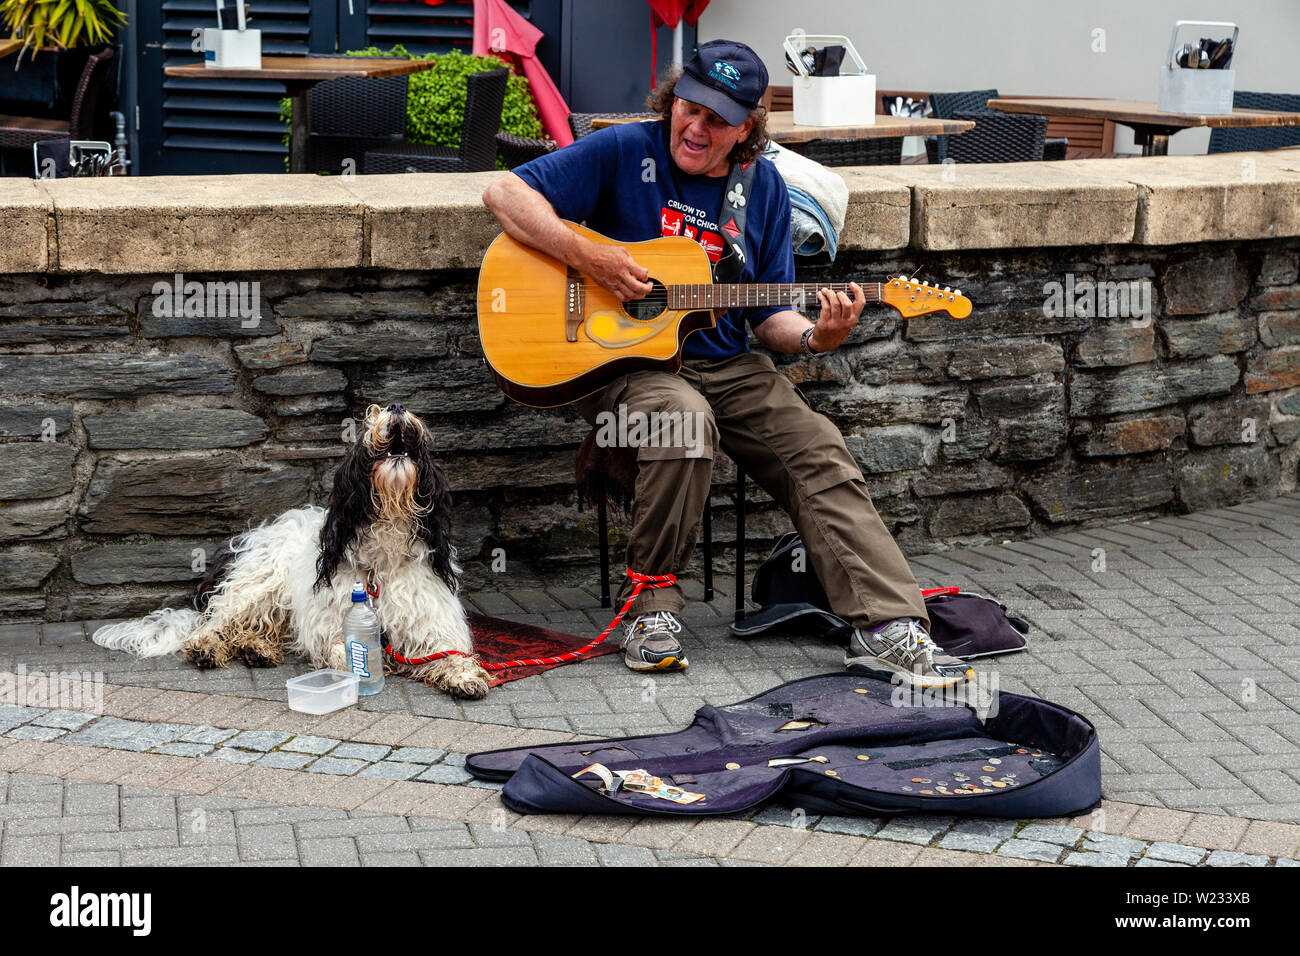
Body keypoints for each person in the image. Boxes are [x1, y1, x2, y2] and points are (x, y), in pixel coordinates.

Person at [482, 39, 972, 689]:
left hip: (729, 364)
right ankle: (648, 612)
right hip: (628, 366)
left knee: (816, 444)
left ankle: (884, 627)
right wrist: (594, 258)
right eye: (689, 108)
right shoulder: (626, 150)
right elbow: (504, 193)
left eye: (716, 119)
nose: (695, 127)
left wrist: (817, 340)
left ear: (746, 127)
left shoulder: (760, 187)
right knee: (685, 421)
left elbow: (771, 316)